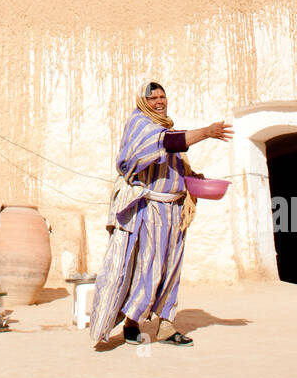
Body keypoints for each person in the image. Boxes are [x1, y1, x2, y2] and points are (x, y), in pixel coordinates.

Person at [89, 82, 232, 346]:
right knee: (149, 266)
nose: (159, 101)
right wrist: (207, 132)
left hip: (174, 210)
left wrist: (191, 179)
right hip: (152, 209)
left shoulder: (163, 125)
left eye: (162, 96)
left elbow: (171, 157)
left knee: (171, 268)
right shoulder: (141, 125)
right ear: (143, 101)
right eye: (153, 97)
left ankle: (165, 324)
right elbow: (167, 143)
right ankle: (133, 319)